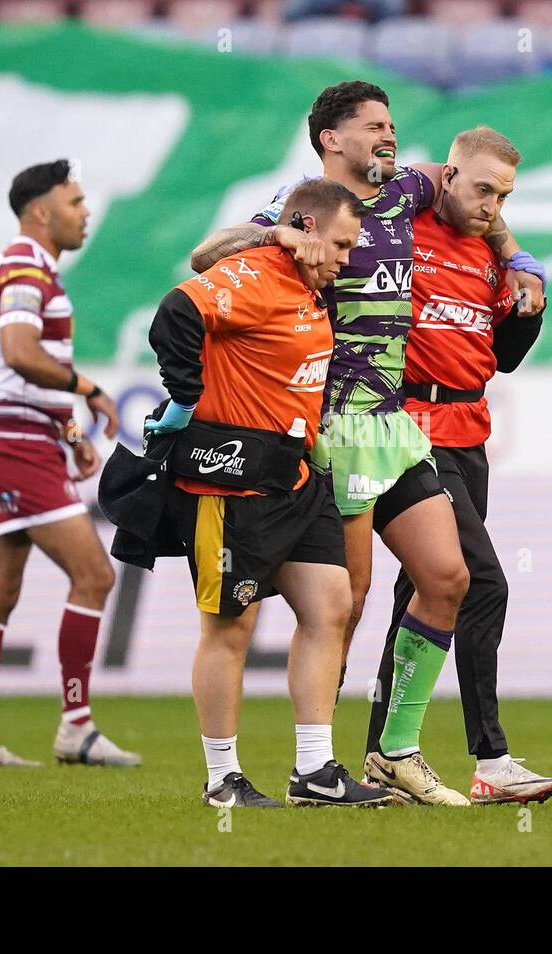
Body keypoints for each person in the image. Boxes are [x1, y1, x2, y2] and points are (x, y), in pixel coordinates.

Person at [188, 81, 546, 805]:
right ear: (331, 140)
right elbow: (205, 258)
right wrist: (278, 235)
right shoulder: (305, 203)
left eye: (392, 124)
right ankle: (316, 766)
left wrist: (517, 258)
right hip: (333, 424)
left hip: (394, 422)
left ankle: (396, 753)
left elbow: (471, 191)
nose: (390, 135)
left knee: (449, 579)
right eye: (374, 126)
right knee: (342, 604)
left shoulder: (411, 185)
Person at [149, 178, 399, 808]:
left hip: (296, 474)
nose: (347, 260)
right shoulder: (258, 274)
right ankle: (222, 779)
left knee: (330, 607)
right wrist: (184, 396)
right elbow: (177, 309)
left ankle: (314, 772)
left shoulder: (309, 284)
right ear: (307, 229)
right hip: (232, 475)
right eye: (342, 245)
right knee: (231, 627)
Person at [362, 127, 552, 804]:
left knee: (418, 597)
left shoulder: (488, 252)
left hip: (468, 433)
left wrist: (529, 307)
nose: (491, 205)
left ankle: (378, 759)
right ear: (446, 176)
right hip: (407, 431)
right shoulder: (402, 226)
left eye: (503, 195)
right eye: (481, 188)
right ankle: (493, 758)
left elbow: (502, 355)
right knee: (481, 583)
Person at [0, 159, 137, 768]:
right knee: (95, 576)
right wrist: (88, 390)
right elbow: (19, 352)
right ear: (40, 211)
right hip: (14, 446)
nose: (86, 212)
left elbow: (17, 369)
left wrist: (66, 428)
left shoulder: (32, 269)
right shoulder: (27, 268)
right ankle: (76, 727)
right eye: (76, 201)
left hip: (4, 437)